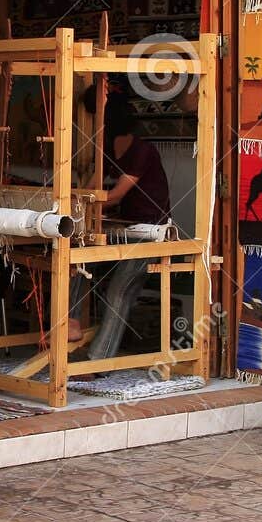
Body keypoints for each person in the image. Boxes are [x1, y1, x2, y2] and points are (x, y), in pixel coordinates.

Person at [68, 101, 170, 360]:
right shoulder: (108, 150)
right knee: (77, 259)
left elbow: (113, 196)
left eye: (98, 124)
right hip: (124, 227)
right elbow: (93, 189)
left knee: (119, 291)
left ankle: (97, 361)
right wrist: (72, 200)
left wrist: (80, 201)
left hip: (151, 230)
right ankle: (72, 321)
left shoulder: (142, 151)